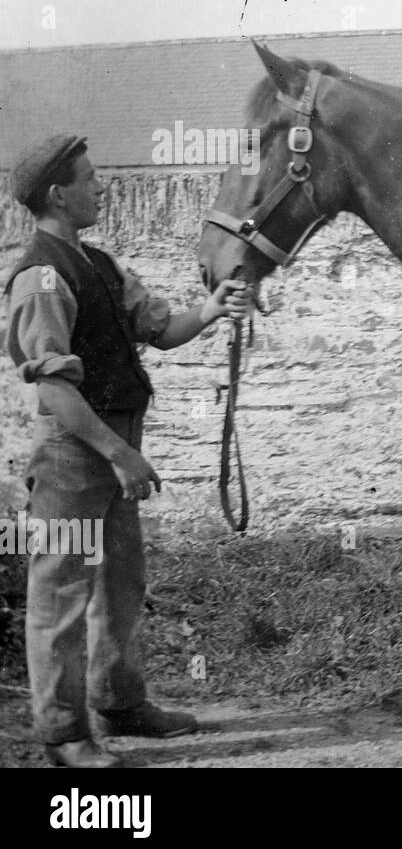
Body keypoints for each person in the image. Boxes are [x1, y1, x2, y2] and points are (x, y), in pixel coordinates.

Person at [4, 133, 248, 768]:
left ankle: (119, 702)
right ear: (58, 194)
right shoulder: (42, 278)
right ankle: (65, 739)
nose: (101, 186)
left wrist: (214, 308)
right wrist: (120, 454)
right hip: (74, 454)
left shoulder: (100, 266)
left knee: (119, 584)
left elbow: (162, 329)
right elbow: (55, 390)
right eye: (89, 178)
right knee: (60, 597)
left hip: (111, 450)